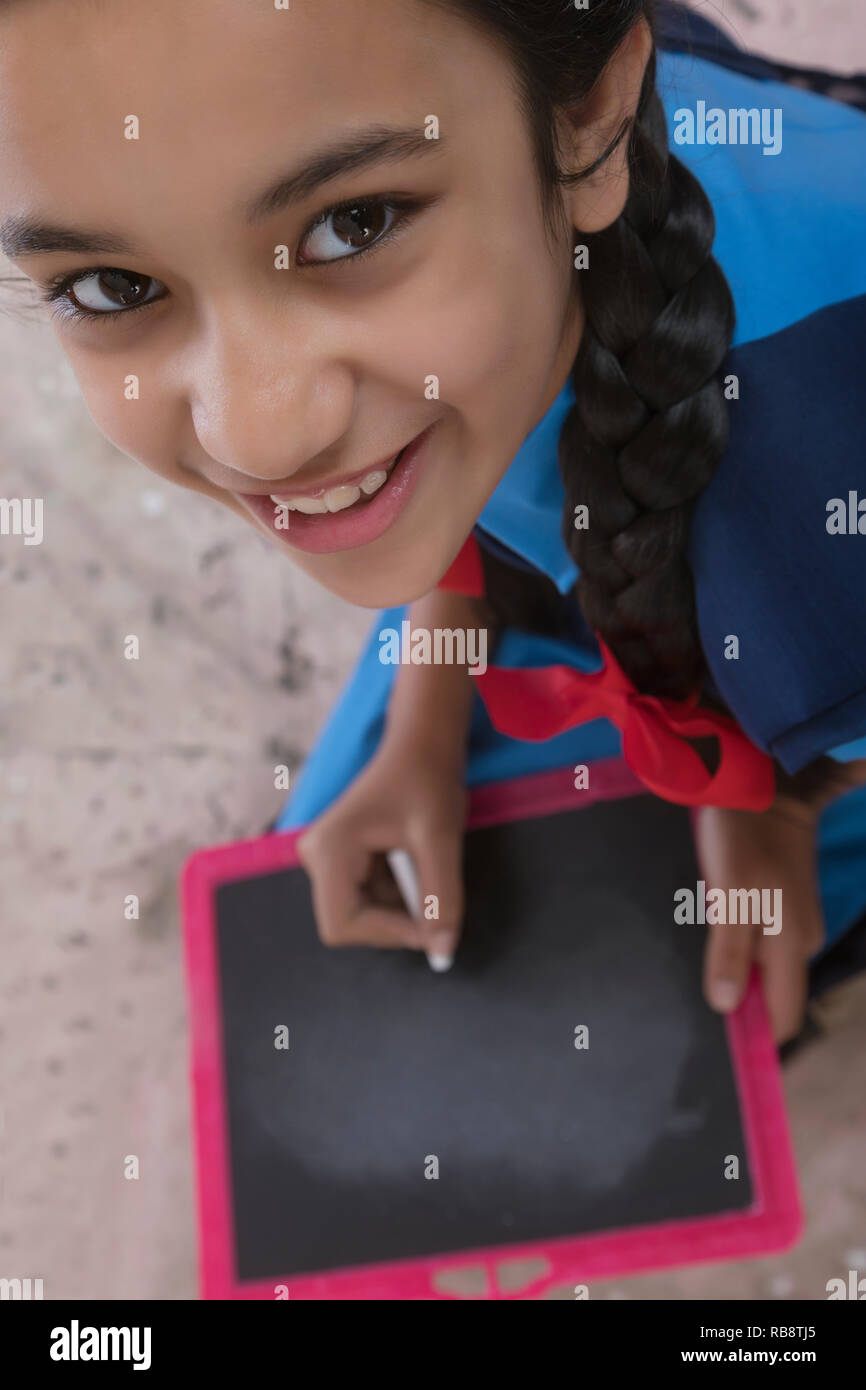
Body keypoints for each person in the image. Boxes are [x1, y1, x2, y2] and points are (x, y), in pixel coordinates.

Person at [1, 0, 864, 1043]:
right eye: (113, 284)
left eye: (352, 223)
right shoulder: (473, 316)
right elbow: (475, 489)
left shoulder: (820, 453)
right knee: (318, 915)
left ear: (589, 117)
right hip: (584, 572)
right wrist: (423, 722)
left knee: (647, 1004)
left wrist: (769, 804)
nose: (259, 436)